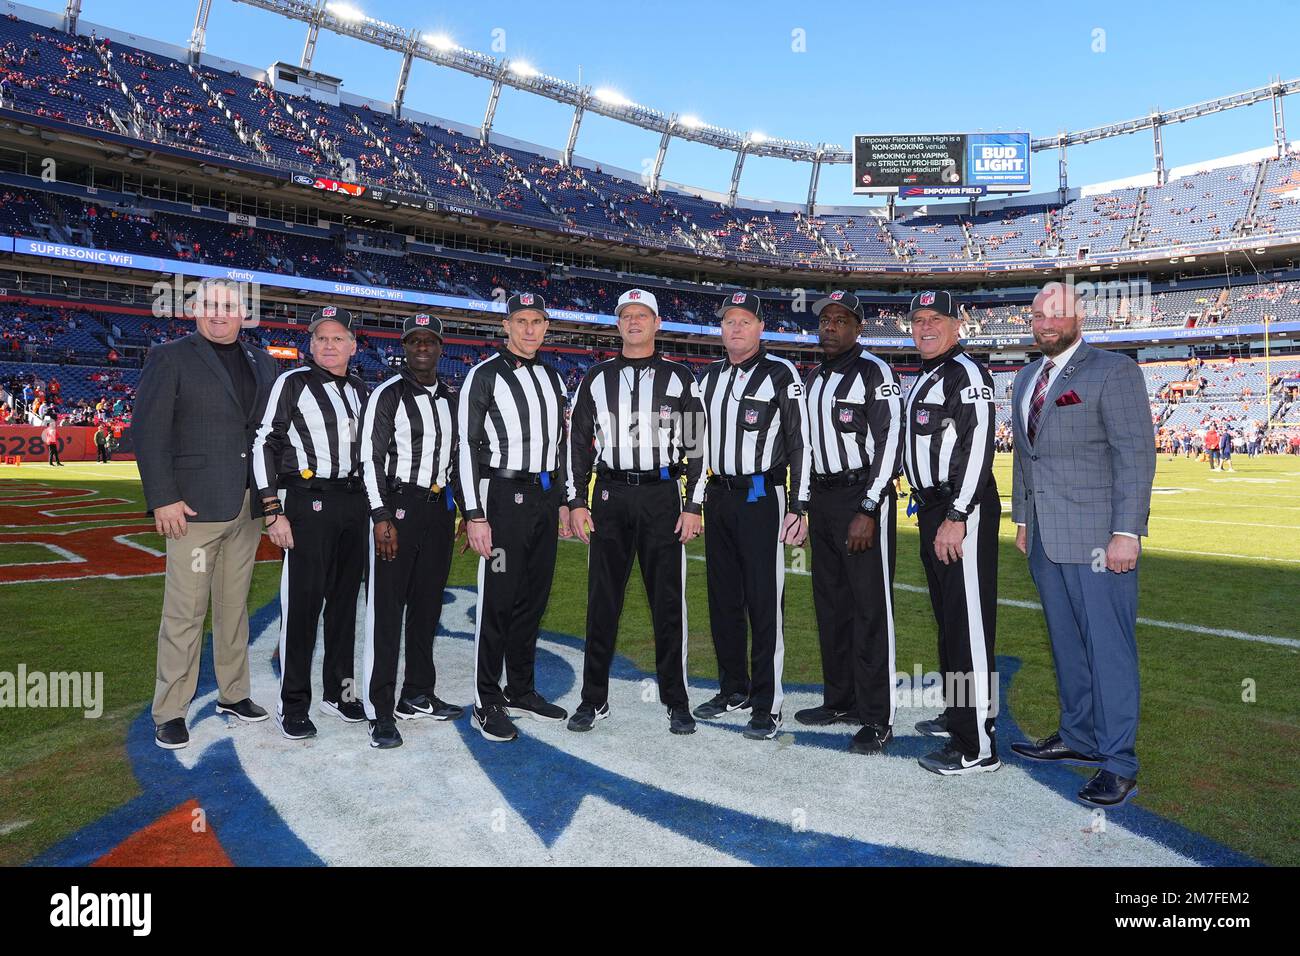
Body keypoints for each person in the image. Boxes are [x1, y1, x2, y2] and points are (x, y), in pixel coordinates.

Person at [1010, 281, 1155, 808]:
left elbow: (1134, 456)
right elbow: (1026, 460)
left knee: (1109, 649)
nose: (1045, 323)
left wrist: (1127, 531)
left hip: (1099, 539)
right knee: (1067, 645)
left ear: (1078, 316)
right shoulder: (1027, 376)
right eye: (1037, 316)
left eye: (1056, 314)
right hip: (1046, 538)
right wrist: (1023, 521)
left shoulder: (1113, 371)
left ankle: (1118, 763)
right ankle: (1079, 736)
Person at [133, 279, 277, 750]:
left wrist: (273, 498)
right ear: (194, 310)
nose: (220, 314)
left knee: (234, 609)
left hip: (246, 507)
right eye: (210, 306)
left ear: (244, 313)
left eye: (229, 307)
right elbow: (148, 430)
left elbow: (268, 437)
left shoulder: (264, 362)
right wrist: (162, 497)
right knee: (184, 613)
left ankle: (234, 694)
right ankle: (171, 709)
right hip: (193, 509)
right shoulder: (170, 356)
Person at [564, 289, 705, 736]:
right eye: (627, 315)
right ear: (618, 324)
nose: (634, 322)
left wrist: (694, 505)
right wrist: (576, 502)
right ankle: (593, 698)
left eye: (642, 315)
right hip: (610, 495)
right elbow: (577, 446)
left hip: (662, 495)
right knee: (602, 601)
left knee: (667, 603)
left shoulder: (681, 377)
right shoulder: (595, 376)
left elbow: (698, 448)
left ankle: (676, 701)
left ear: (657, 323)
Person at [692, 291, 810, 741]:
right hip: (719, 496)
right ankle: (732, 689)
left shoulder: (782, 374)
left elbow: (800, 443)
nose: (736, 328)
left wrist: (800, 505)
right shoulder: (708, 380)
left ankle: (768, 702)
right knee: (723, 601)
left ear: (761, 327)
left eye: (745, 321)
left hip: (762, 497)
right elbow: (697, 447)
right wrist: (695, 502)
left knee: (764, 602)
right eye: (729, 321)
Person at [457, 293, 572, 742]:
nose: (529, 329)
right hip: (503, 496)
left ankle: (520, 688)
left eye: (537, 321)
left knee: (533, 597)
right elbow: (465, 447)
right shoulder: (482, 376)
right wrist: (475, 514)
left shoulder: (553, 375)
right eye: (521, 321)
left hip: (544, 497)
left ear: (546, 327)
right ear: (506, 326)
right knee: (498, 600)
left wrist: (563, 499)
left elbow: (560, 447)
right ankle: (486, 700)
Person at [251, 306, 369, 741]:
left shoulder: (359, 388)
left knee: (343, 606)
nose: (329, 345)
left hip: (352, 503)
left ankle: (339, 692)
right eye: (321, 338)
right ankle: (293, 702)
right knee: (302, 608)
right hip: (308, 502)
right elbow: (265, 441)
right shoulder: (293, 382)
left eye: (338, 338)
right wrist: (272, 509)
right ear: (311, 344)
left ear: (353, 346)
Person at [901, 290, 1001, 776]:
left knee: (969, 628)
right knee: (950, 624)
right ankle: (961, 714)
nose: (925, 328)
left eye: (935, 319)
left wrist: (957, 514)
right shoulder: (929, 376)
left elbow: (980, 447)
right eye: (918, 320)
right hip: (932, 507)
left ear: (957, 325)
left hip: (961, 508)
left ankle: (977, 745)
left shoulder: (966, 374)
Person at [798, 291, 903, 754]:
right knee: (831, 604)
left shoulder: (875, 372)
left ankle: (877, 716)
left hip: (861, 499)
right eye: (825, 319)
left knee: (870, 609)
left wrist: (868, 507)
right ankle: (840, 698)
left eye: (841, 320)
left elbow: (890, 444)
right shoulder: (816, 377)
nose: (830, 326)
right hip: (823, 499)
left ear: (859, 328)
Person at [358, 313, 464, 750]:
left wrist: (458, 509)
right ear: (404, 347)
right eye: (414, 340)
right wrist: (381, 516)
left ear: (441, 348)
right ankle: (379, 709)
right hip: (397, 509)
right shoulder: (388, 394)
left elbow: (457, 460)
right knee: (386, 611)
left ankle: (417, 693)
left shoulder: (450, 398)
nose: (423, 347)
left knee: (426, 609)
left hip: (437, 510)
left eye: (430, 340)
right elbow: (368, 458)